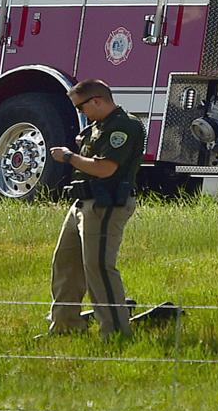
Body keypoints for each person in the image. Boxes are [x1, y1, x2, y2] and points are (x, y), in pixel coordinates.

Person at [43, 79, 145, 339]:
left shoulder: (123, 127)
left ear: (97, 100)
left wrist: (68, 157)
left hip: (105, 203)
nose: (81, 113)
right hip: (82, 202)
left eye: (81, 107)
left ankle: (116, 331)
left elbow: (105, 168)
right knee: (66, 263)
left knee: (98, 267)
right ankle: (65, 326)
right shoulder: (98, 127)